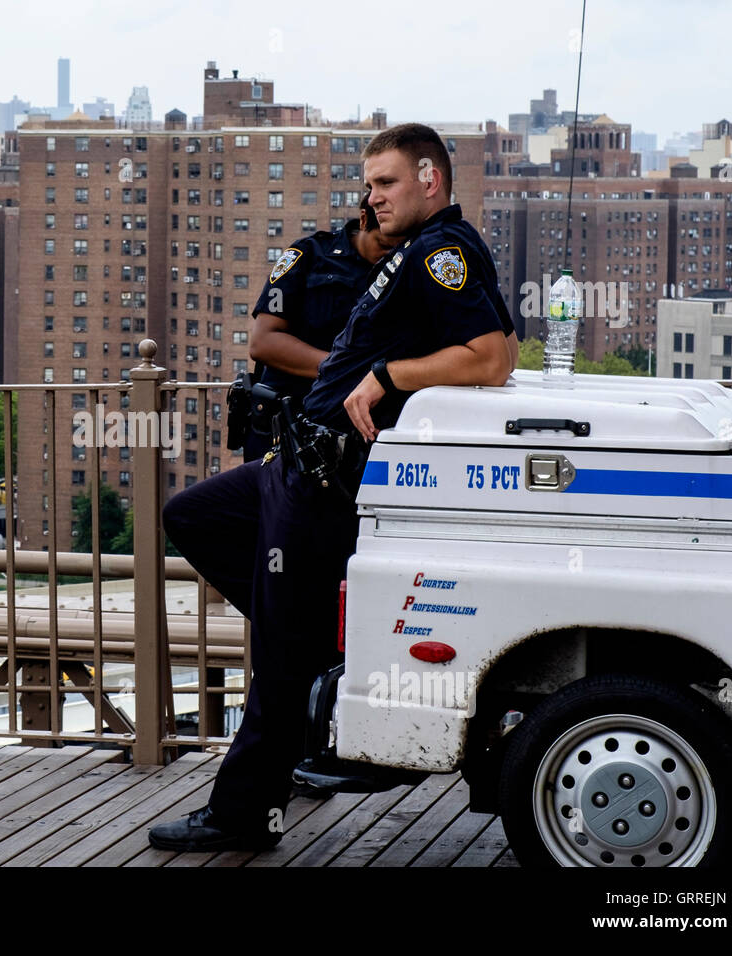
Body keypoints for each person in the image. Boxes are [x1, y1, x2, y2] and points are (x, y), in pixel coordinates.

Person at [149, 123, 518, 853]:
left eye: (385, 183)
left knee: (278, 655)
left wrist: (387, 378)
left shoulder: (442, 251)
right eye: (370, 184)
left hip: (325, 481)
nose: (372, 197)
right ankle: (322, 647)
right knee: (194, 515)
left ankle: (241, 814)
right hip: (289, 464)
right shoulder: (411, 252)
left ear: (429, 179)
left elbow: (492, 358)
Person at [240, 192, 403, 462]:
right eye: (384, 247)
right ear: (364, 220)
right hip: (286, 427)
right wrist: (342, 372)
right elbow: (263, 342)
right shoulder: (307, 255)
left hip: (360, 437)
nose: (390, 258)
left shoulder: (405, 268)